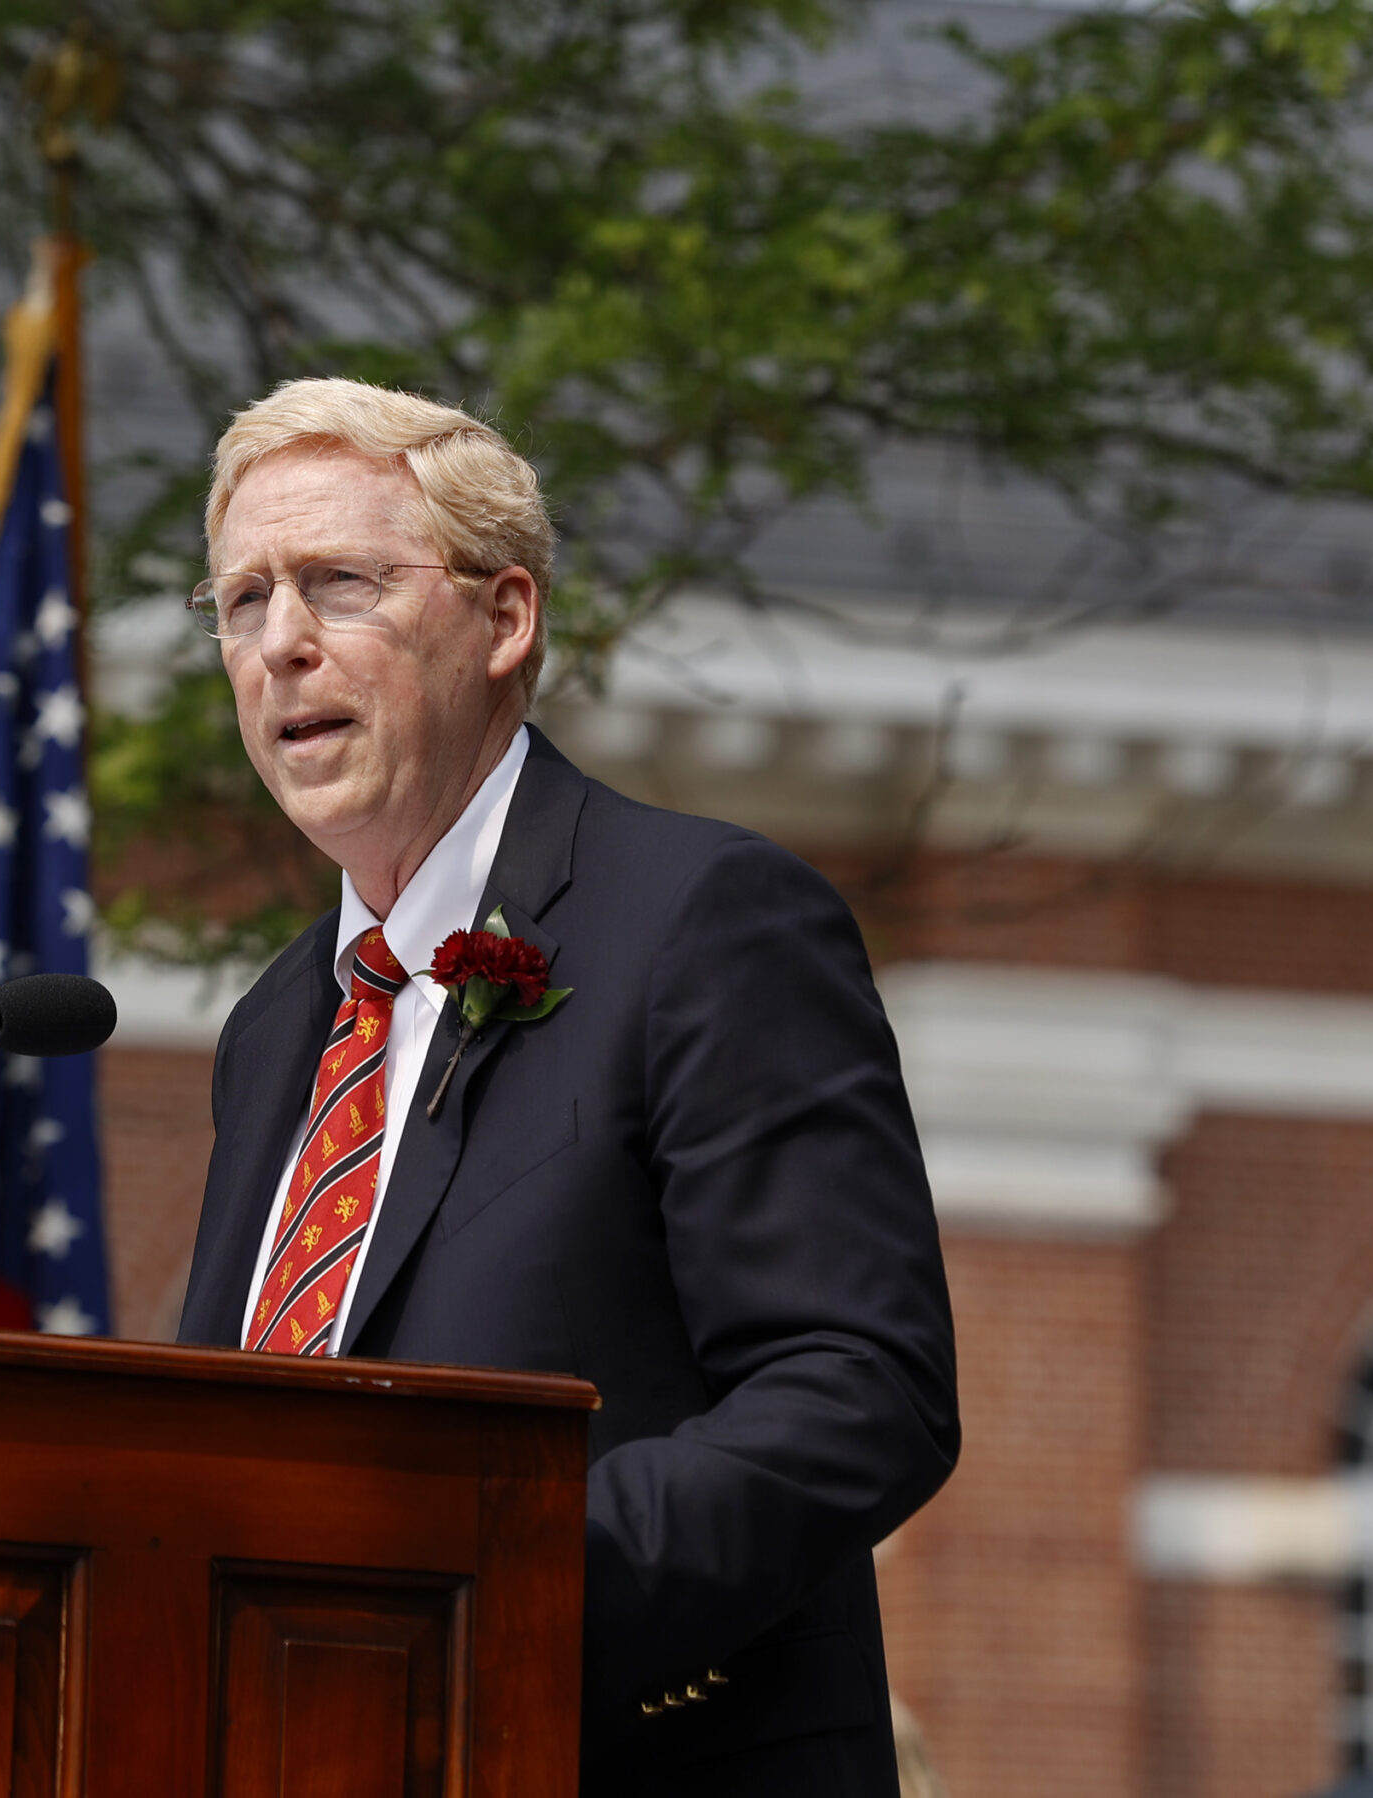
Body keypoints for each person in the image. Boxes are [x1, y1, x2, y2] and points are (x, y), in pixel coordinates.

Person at [174, 377, 961, 1796]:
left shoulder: (705, 918)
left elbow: (861, 1386)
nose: (280, 642)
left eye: (338, 583)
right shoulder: (276, 1028)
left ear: (506, 617)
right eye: (241, 601)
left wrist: (486, 1588)